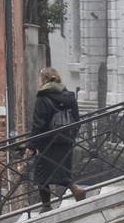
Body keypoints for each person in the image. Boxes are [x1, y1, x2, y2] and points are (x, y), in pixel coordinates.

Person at [29, 67, 85, 212]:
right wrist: (70, 137)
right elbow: (77, 120)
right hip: (65, 141)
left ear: (44, 80)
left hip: (47, 142)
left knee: (42, 174)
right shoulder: (70, 97)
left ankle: (46, 205)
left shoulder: (42, 97)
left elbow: (38, 124)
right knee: (62, 170)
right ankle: (75, 188)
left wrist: (32, 145)